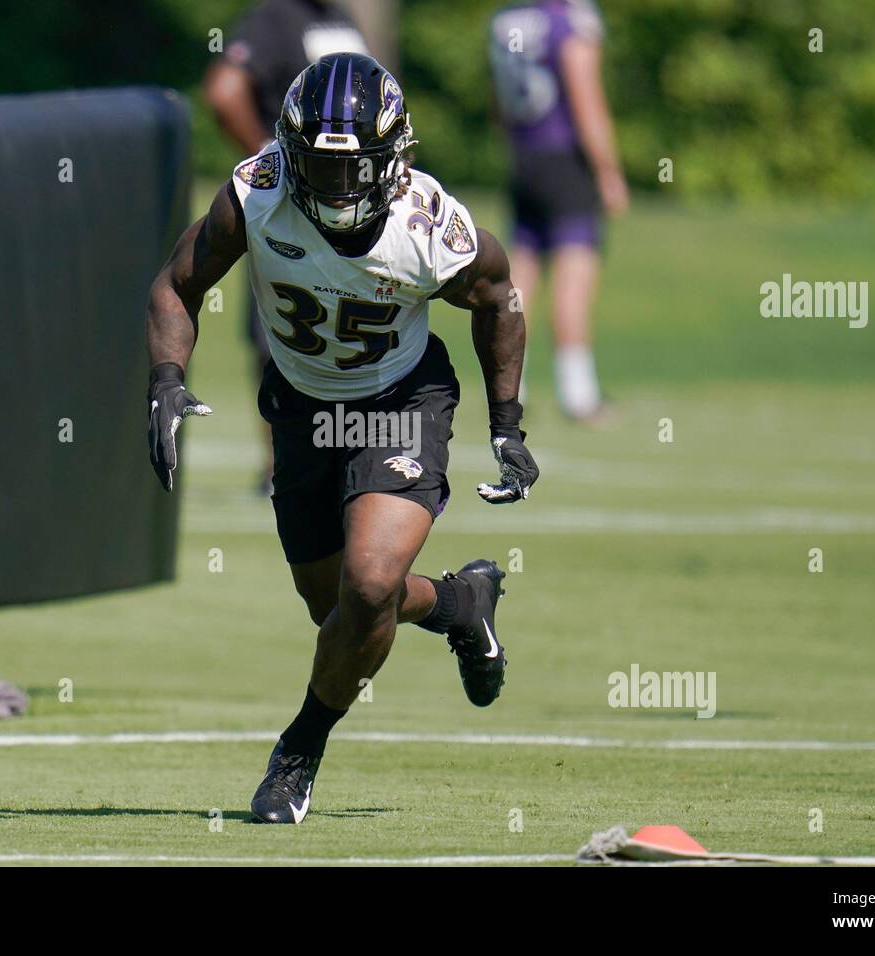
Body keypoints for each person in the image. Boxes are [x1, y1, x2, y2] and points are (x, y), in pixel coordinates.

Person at [146, 53, 540, 824]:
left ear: (394, 162)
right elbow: (176, 285)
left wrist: (507, 425)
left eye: (352, 170)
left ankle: (298, 751)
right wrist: (165, 378)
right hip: (301, 408)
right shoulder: (256, 194)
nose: (333, 189)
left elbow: (501, 298)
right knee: (339, 608)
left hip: (401, 398)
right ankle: (461, 602)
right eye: (318, 170)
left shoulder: (430, 229)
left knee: (366, 586)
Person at [203, 0, 370, 492]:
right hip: (298, 203)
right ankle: (280, 464)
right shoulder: (277, 16)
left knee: (350, 320)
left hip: (353, 205)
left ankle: (342, 455)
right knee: (284, 330)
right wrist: (270, 160)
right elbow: (224, 90)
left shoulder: (338, 17)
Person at [488, 0, 628, 420]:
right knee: (574, 271)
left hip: (524, 155)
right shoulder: (569, 18)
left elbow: (499, 102)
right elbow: (585, 96)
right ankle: (578, 392)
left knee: (523, 274)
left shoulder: (506, 20)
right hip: (565, 157)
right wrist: (607, 168)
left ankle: (511, 387)